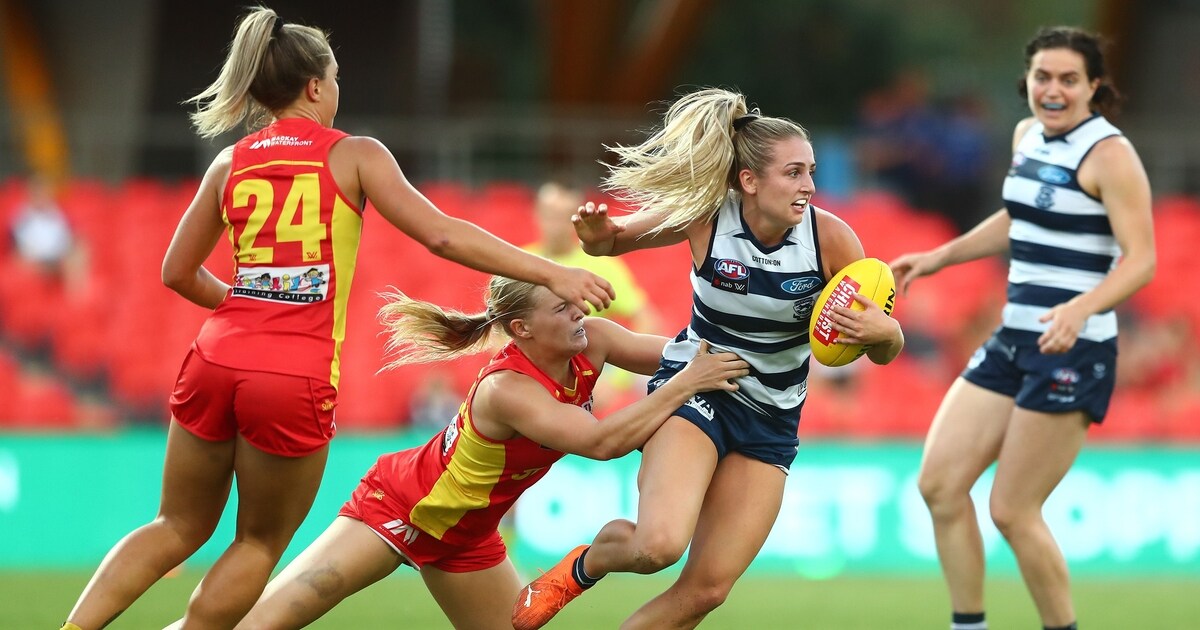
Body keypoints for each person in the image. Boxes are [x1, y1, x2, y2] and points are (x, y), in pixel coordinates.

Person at [59, 7, 615, 630]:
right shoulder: (353, 155)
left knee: (176, 525)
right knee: (257, 543)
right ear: (316, 87)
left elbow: (176, 273)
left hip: (214, 355)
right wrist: (550, 272)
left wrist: (248, 314)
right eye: (337, 77)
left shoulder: (229, 162)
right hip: (291, 375)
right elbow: (440, 236)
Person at [512, 87, 906, 630]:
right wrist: (599, 235)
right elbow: (611, 243)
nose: (809, 187)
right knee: (657, 547)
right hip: (698, 386)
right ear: (749, 181)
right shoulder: (706, 217)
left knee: (707, 590)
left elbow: (873, 350)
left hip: (772, 418)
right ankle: (588, 562)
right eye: (793, 173)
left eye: (811, 172)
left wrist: (888, 334)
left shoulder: (833, 241)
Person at [232, 276, 750, 629]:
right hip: (401, 511)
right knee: (264, 623)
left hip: (469, 538)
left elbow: (688, 354)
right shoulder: (509, 389)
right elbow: (602, 441)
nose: (580, 312)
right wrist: (688, 383)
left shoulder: (595, 339)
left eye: (576, 302)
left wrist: (774, 339)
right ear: (522, 330)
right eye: (562, 306)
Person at [889, 26, 1155, 630]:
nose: (1052, 89)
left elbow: (1142, 260)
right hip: (1013, 339)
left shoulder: (1110, 154)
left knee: (1012, 509)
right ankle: (969, 625)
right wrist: (940, 256)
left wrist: (1081, 309)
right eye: (1042, 77)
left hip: (1073, 348)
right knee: (940, 484)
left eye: (1068, 79)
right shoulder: (1027, 135)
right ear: (1027, 81)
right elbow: (1020, 213)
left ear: (1093, 86)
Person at [526, 179, 666, 415]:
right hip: (535, 380)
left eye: (563, 216)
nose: (555, 224)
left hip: (587, 377)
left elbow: (647, 319)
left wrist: (616, 380)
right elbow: (497, 330)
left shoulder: (602, 265)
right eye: (549, 214)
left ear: (576, 221)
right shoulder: (521, 262)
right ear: (536, 215)